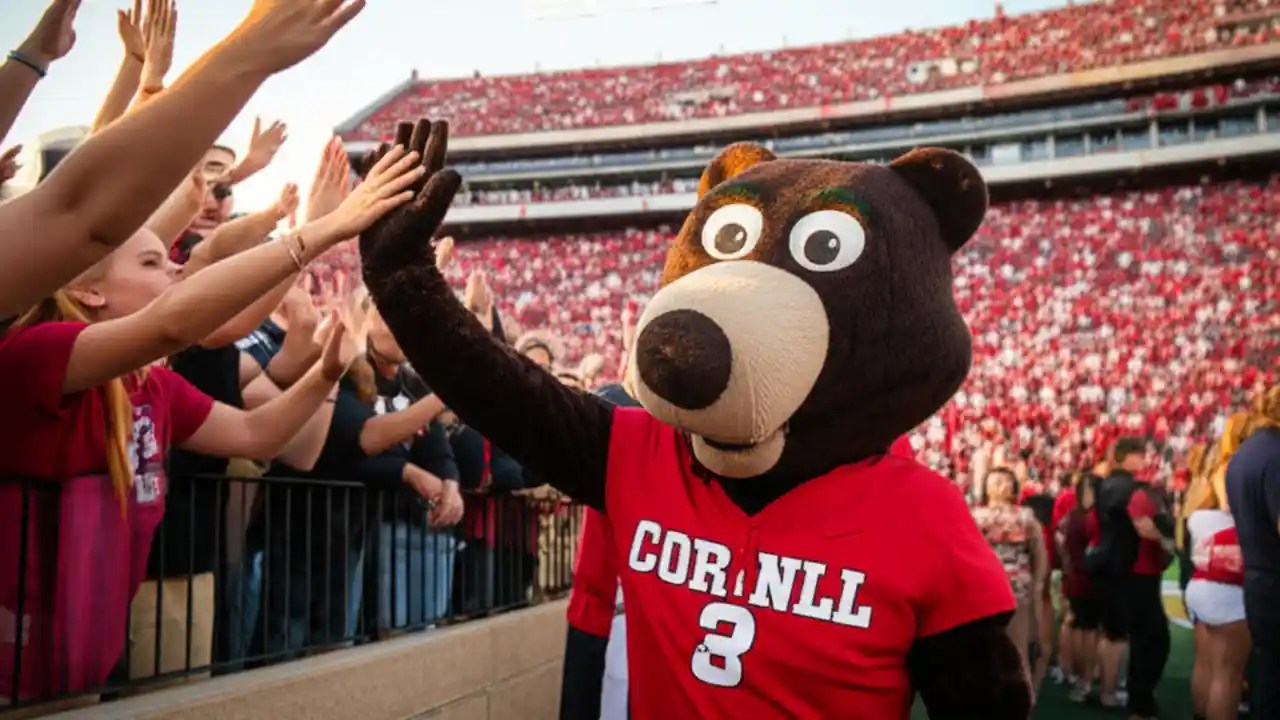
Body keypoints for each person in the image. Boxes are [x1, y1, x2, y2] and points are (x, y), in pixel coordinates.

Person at [0, 0, 366, 318]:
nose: (174, 271)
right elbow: (88, 203)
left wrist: (37, 55)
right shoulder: (46, 353)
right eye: (151, 262)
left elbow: (85, 202)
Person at [1096, 436, 1172, 718]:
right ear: (1128, 456)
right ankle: (1140, 702)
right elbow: (1142, 527)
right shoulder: (1131, 489)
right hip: (1136, 570)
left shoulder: (1107, 484)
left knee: (1132, 634)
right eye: (1140, 454)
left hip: (1120, 568)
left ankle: (1125, 694)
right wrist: (1168, 543)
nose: (1144, 459)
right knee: (1150, 638)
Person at [1185, 421, 1250, 720]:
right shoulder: (1236, 501)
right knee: (1228, 674)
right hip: (1232, 592)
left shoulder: (1198, 511)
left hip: (1199, 588)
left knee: (1205, 665)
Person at [1226, 385, 1280, 719]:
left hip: (1259, 580)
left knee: (1270, 679)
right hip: (1275, 576)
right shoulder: (1276, 454)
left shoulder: (1244, 453)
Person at [972, 467, 1049, 698]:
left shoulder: (1026, 518)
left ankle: (1023, 699)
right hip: (982, 591)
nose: (999, 486)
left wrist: (1036, 586)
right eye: (994, 481)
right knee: (982, 649)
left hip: (1016, 590)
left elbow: (1039, 555)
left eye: (1005, 481)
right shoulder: (975, 516)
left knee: (1017, 647)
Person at [1058, 471, 1102, 703]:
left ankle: (1075, 675)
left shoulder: (1072, 516)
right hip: (1089, 580)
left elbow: (1063, 546)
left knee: (1076, 626)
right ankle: (1086, 679)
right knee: (1089, 632)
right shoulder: (1093, 518)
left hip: (1074, 577)